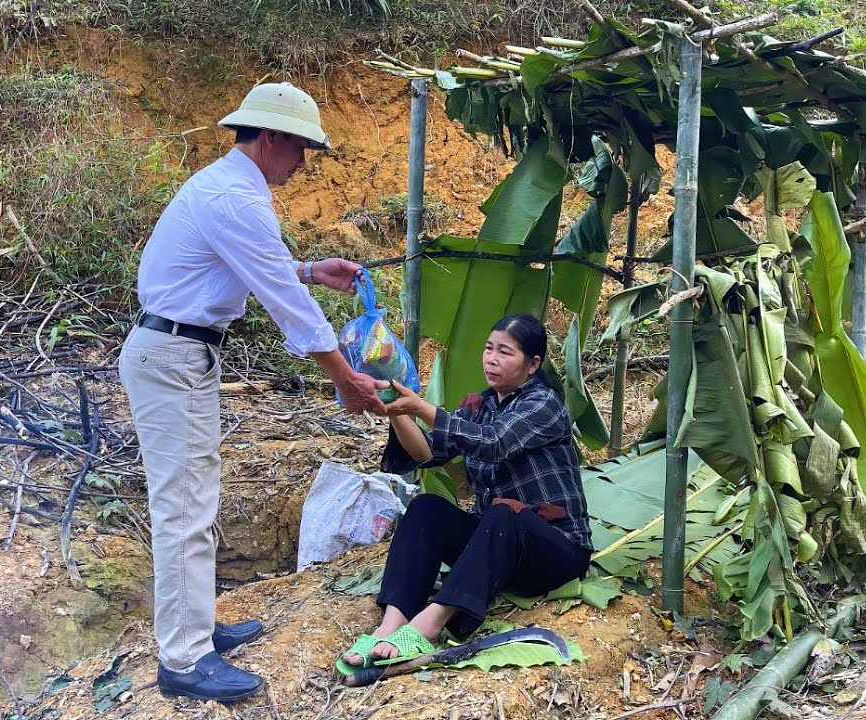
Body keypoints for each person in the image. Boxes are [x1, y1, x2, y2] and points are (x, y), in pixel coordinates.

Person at [119, 81, 387, 704]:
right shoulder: (237, 198)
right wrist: (342, 377)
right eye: (300, 149)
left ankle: (197, 627)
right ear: (270, 139)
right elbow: (283, 300)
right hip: (174, 356)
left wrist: (309, 268)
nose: (303, 163)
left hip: (183, 352)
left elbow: (258, 267)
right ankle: (184, 661)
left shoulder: (231, 189)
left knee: (196, 499)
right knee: (184, 506)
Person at [336, 314, 592, 673]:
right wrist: (395, 411)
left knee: (505, 513)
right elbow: (426, 453)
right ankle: (392, 623)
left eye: (505, 352)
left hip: (556, 553)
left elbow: (494, 443)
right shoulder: (481, 407)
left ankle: (432, 622)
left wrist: (424, 408)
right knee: (426, 508)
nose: (491, 358)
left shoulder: (543, 405)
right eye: (489, 349)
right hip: (498, 556)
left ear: (533, 364)